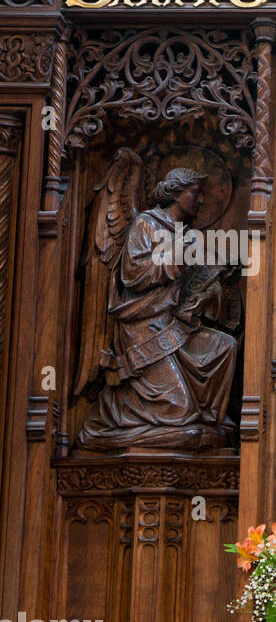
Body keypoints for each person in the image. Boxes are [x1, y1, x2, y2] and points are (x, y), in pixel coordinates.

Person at [77, 168, 238, 451]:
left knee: (224, 347)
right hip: (143, 326)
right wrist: (176, 259)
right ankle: (117, 410)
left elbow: (198, 283)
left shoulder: (186, 235)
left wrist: (208, 296)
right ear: (176, 192)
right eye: (195, 193)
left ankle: (207, 420)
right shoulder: (145, 224)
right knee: (177, 409)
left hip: (175, 324)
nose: (200, 201)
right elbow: (133, 273)